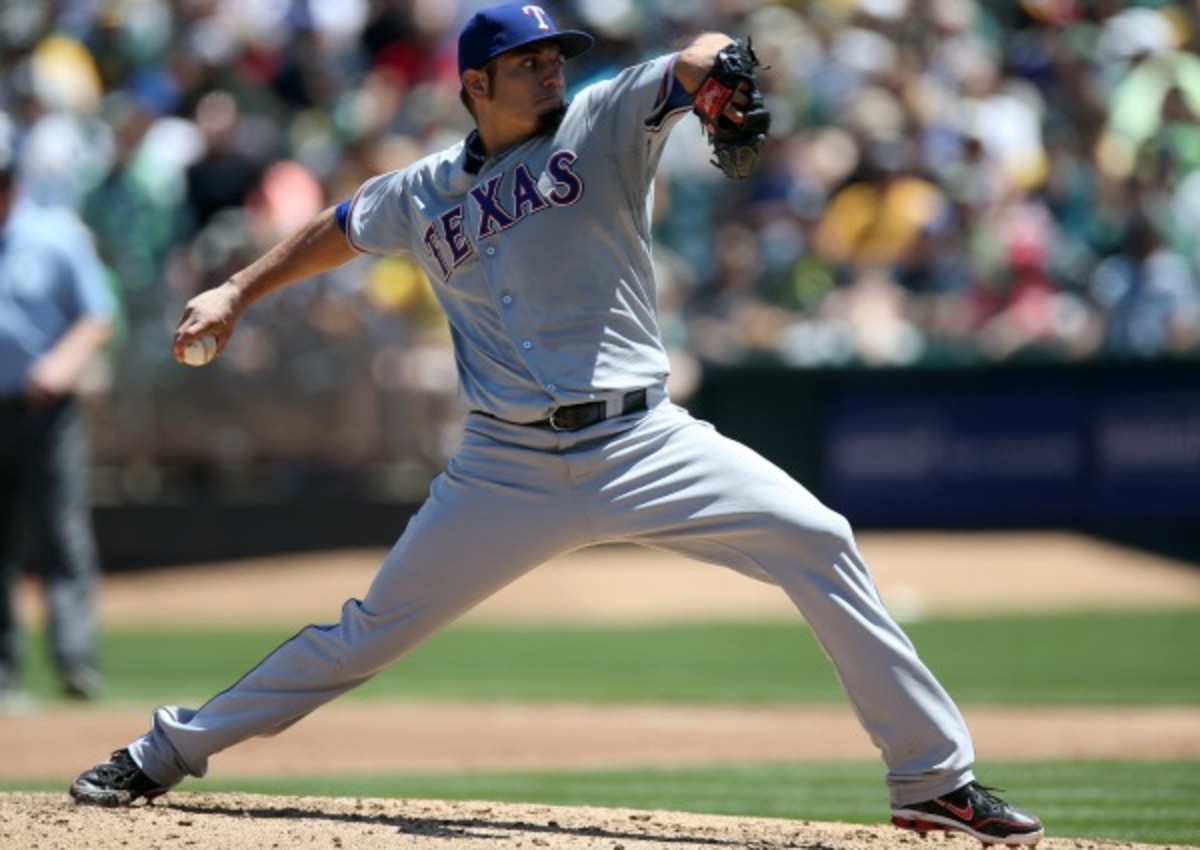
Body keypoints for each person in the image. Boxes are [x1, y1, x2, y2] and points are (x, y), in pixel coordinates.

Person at [70, 5, 1043, 846]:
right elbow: (339, 224)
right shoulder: (423, 191)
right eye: (530, 61)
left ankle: (929, 783)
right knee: (366, 632)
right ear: (476, 84)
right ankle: (163, 750)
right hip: (506, 468)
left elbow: (696, 57)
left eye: (554, 57)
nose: (551, 70)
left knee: (817, 538)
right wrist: (237, 291)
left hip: (643, 442)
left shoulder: (603, 119)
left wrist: (723, 74)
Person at [0, 134, 114, 704]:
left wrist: (62, 365)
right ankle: (2, 671)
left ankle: (75, 663)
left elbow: (97, 312)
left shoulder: (53, 236)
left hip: (48, 408)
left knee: (61, 532)